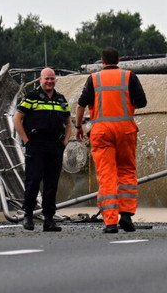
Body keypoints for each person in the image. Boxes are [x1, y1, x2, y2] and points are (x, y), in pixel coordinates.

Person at [73, 48, 147, 234]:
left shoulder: (94, 79)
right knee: (127, 171)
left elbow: (81, 104)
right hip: (125, 130)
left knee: (107, 175)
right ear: (119, 60)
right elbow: (142, 102)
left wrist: (78, 127)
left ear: (102, 61)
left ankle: (111, 222)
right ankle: (126, 215)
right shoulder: (129, 76)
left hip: (102, 132)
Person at [14, 67, 71, 232]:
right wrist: (26, 140)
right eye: (47, 79)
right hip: (36, 144)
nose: (49, 82)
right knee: (33, 180)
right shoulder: (31, 97)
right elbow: (17, 118)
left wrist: (65, 142)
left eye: (52, 79)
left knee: (51, 183)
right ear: (40, 80)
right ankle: (28, 215)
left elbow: (68, 123)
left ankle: (49, 219)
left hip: (55, 145)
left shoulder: (61, 99)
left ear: (55, 80)